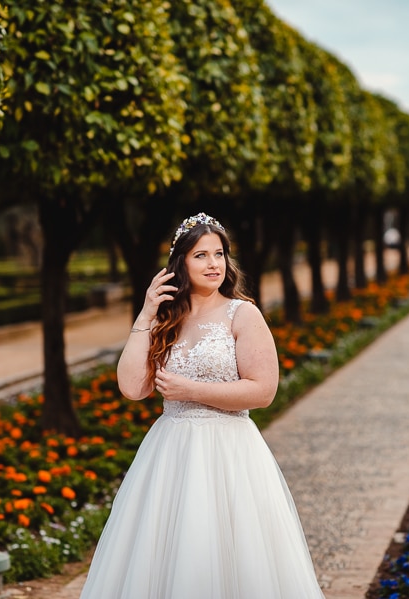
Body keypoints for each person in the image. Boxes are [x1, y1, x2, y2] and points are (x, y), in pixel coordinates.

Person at [79, 213, 324, 599]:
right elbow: (131, 387)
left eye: (219, 254)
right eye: (201, 255)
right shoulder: (164, 318)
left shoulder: (243, 314)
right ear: (181, 263)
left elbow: (263, 391)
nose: (213, 263)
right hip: (170, 452)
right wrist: (145, 313)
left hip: (230, 451)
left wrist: (190, 389)